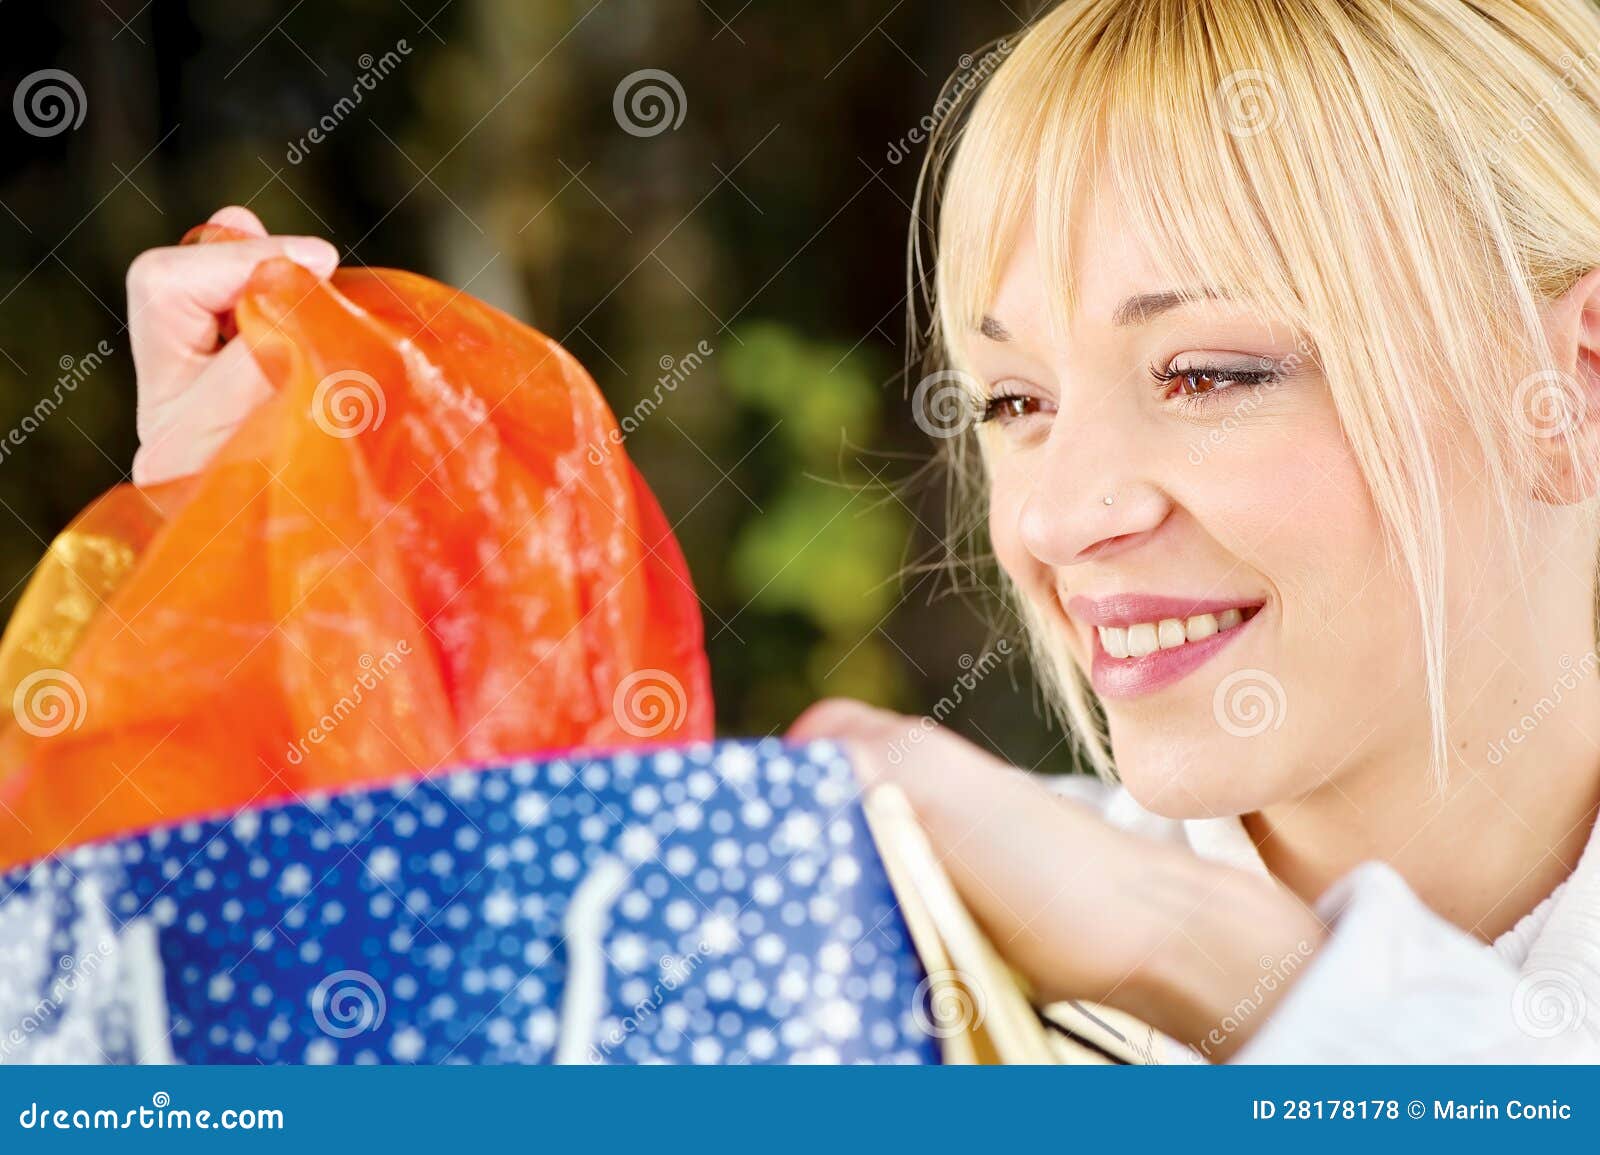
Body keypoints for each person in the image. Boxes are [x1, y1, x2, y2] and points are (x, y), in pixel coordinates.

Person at [126, 0, 1600, 1062]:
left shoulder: (1094, 914)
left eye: (1210, 374)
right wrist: (242, 592)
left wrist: (1198, 949)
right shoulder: (875, 961)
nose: (1067, 514)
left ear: (1572, 382)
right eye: (1015, 400)